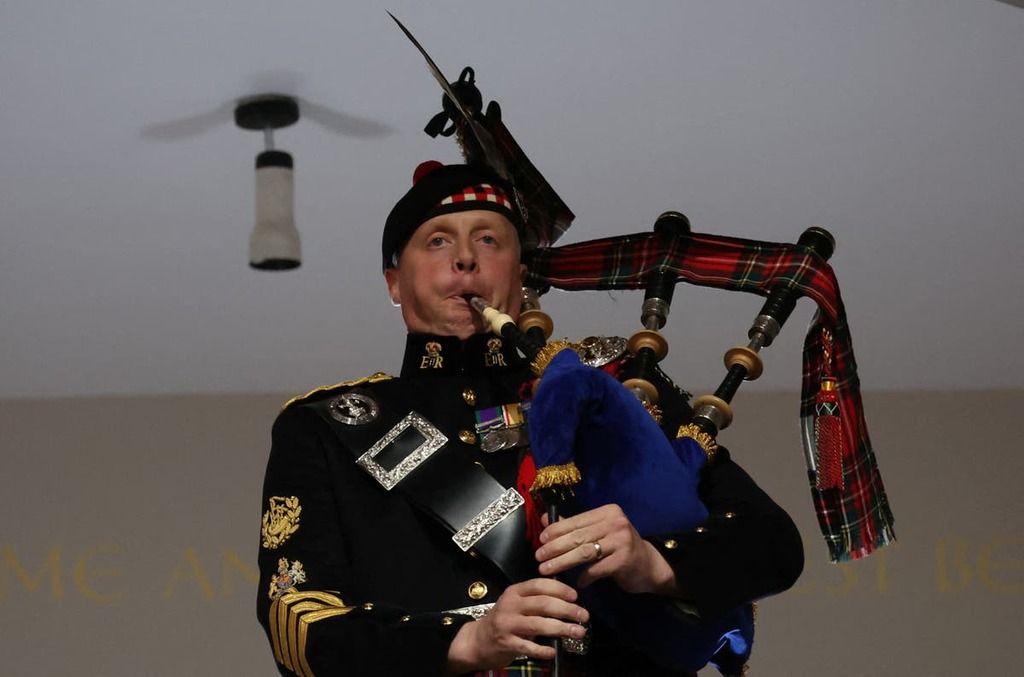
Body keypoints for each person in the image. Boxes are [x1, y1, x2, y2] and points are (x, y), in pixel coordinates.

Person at [256, 162, 804, 676]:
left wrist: (654, 562)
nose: (465, 258)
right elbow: (295, 617)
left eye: (488, 240)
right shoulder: (325, 427)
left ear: (519, 276)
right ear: (394, 282)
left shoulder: (609, 387)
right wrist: (465, 641)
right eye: (438, 240)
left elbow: (772, 543)